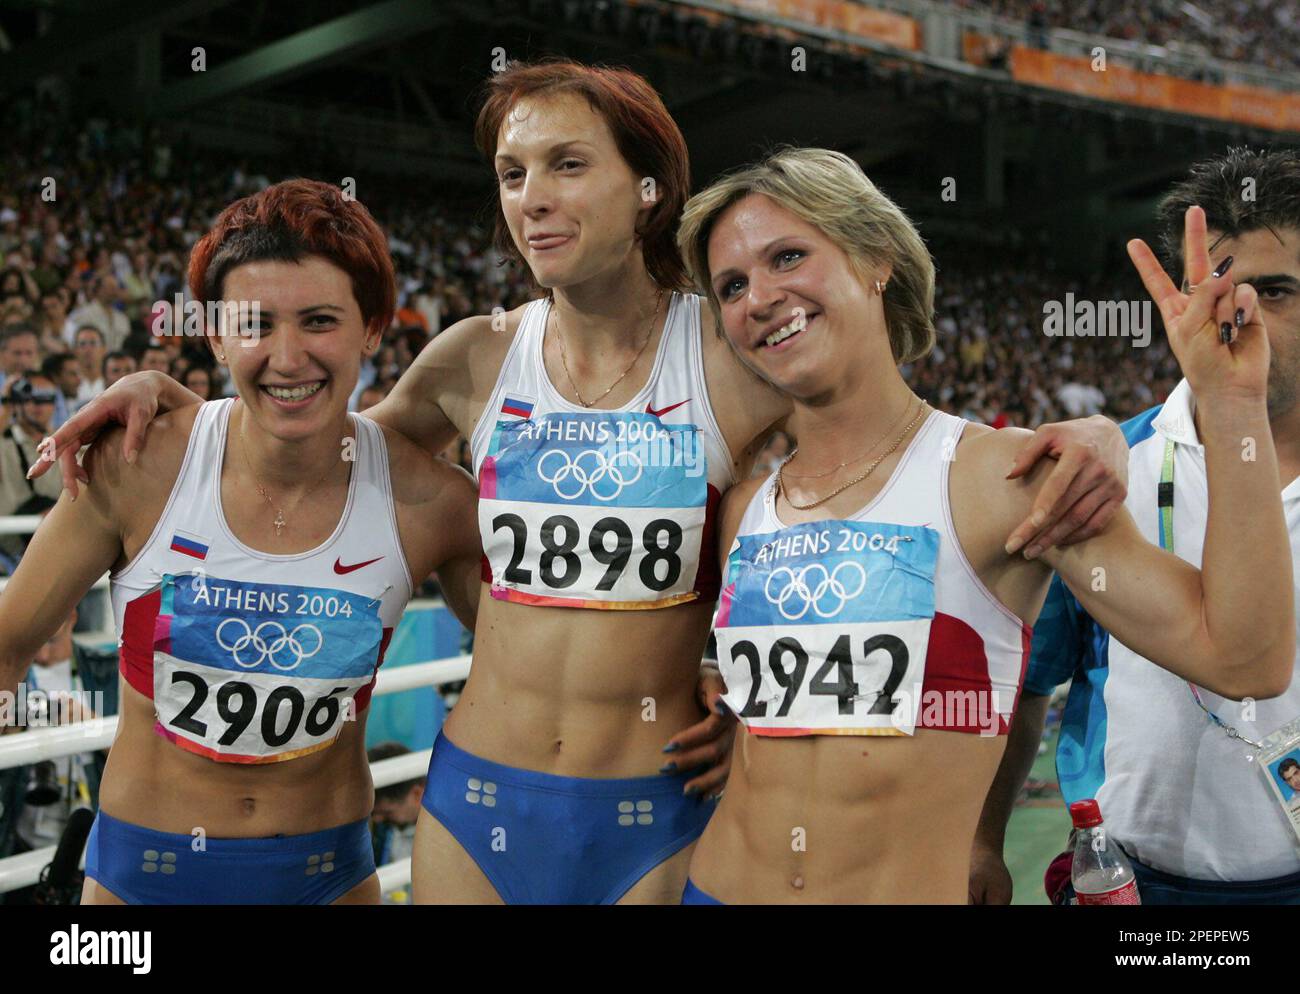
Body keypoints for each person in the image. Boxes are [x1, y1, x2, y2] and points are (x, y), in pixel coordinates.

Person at [38, 61, 1130, 905]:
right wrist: (172, 397)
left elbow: (889, 433)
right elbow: (313, 441)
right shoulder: (473, 356)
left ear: (648, 186)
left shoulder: (733, 351)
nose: (533, 198)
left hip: (652, 806)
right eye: (513, 174)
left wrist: (1089, 432)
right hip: (477, 792)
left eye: (568, 164)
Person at [671, 146, 1292, 904]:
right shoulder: (742, 508)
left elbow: (1244, 661)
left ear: (877, 261)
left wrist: (1228, 405)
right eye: (731, 285)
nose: (757, 297)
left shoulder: (1004, 479)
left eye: (788, 256)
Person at [0, 178, 482, 905]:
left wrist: (676, 688)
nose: (287, 358)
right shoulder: (133, 463)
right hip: (141, 879)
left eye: (319, 321)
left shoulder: (431, 501)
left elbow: (539, 664)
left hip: (328, 878)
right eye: (254, 323)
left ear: (373, 328)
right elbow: (7, 648)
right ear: (217, 332)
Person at [973, 147, 1300, 906]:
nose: (1239, 311)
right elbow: (1028, 683)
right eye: (1214, 284)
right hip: (1127, 879)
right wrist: (982, 840)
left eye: (1277, 289)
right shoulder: (1101, 473)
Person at [0, 607, 118, 905]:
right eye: (33, 642)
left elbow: (142, 756)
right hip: (22, 832)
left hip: (93, 836)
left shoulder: (108, 671)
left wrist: (93, 727)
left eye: (50, 641)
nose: (40, 655)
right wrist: (10, 730)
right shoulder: (9, 672)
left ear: (73, 619)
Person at [0, 375, 63, 562]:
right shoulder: (4, 442)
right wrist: (6, 404)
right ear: (17, 403)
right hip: (13, 548)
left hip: (58, 541)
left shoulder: (62, 440)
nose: (38, 406)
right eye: (30, 398)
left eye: (47, 398)